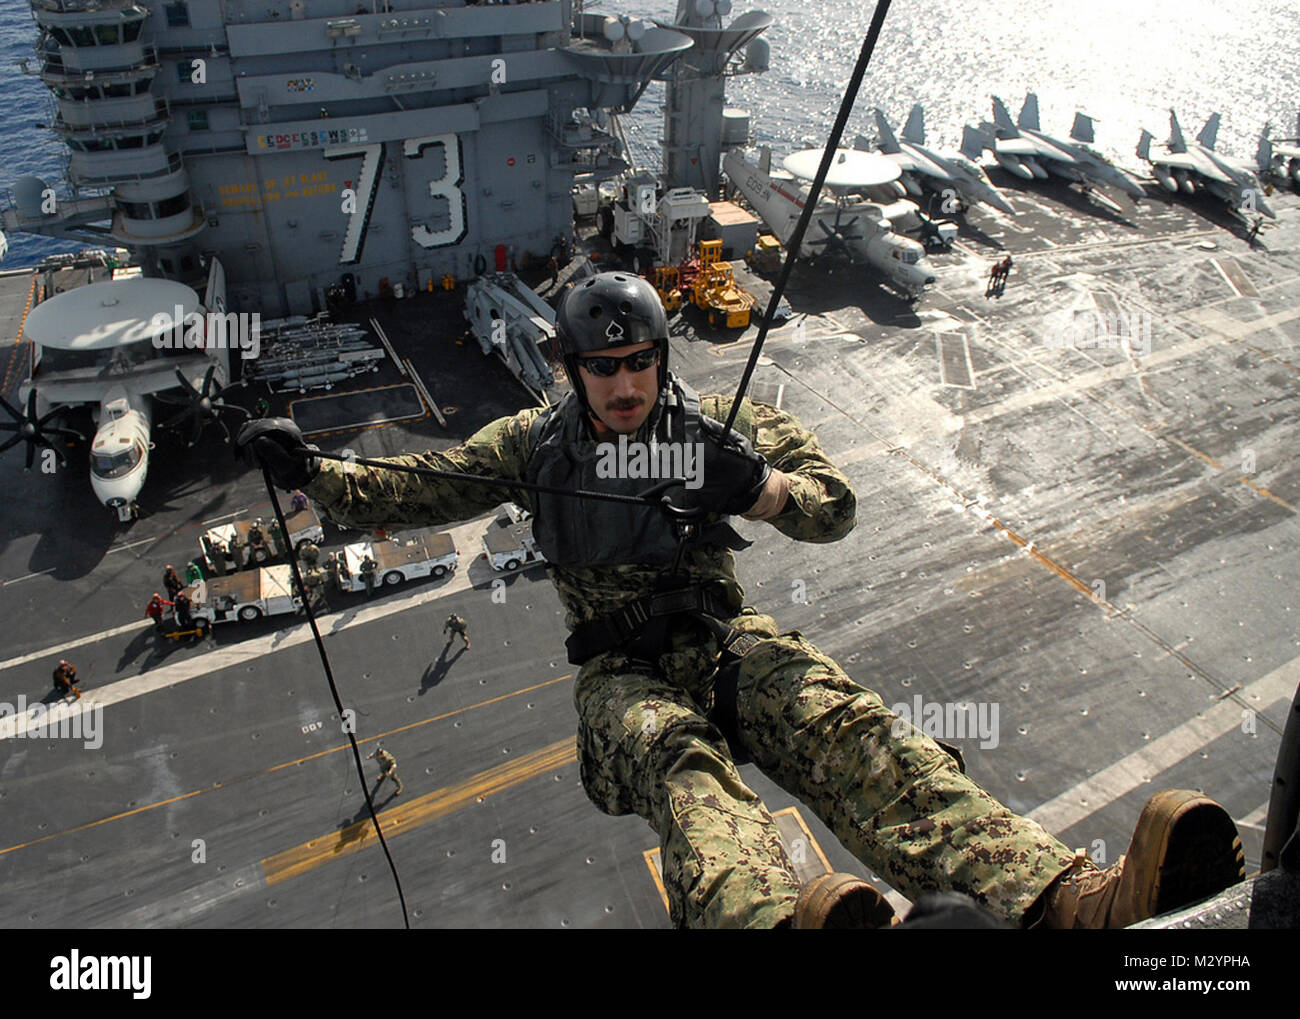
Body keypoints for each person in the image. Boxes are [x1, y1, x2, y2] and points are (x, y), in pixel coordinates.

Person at [237, 272, 1244, 929]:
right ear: (573, 369)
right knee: (685, 774)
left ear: (661, 360)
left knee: (840, 722)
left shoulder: (727, 427)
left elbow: (832, 508)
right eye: (603, 366)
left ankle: (1063, 899)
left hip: (722, 636)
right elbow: (411, 489)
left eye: (639, 362)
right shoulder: (530, 449)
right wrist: (313, 470)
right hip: (620, 671)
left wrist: (756, 488)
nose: (624, 383)